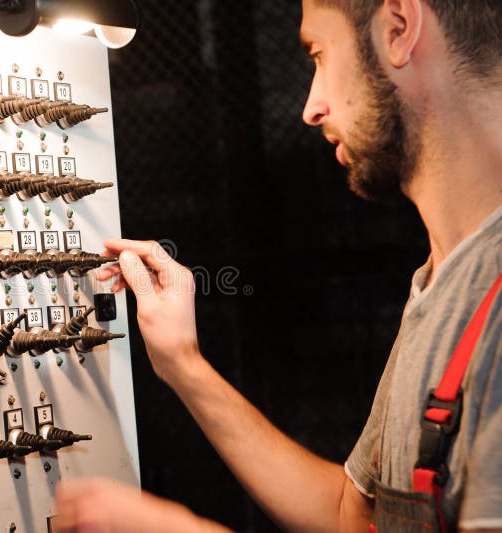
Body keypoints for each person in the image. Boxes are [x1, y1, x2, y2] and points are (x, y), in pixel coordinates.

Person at [52, 0, 502, 531]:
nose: (311, 107)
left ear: (398, 30)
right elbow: (349, 515)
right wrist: (182, 363)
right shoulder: (445, 281)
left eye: (319, 54)